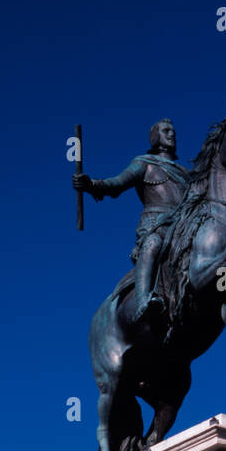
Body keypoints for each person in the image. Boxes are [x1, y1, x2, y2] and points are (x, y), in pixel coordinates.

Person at [73, 119, 190, 323]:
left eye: (173, 131)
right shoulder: (144, 163)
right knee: (153, 244)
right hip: (157, 224)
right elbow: (117, 183)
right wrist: (91, 184)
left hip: (184, 226)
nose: (172, 134)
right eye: (166, 131)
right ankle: (144, 302)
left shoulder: (186, 174)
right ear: (155, 137)